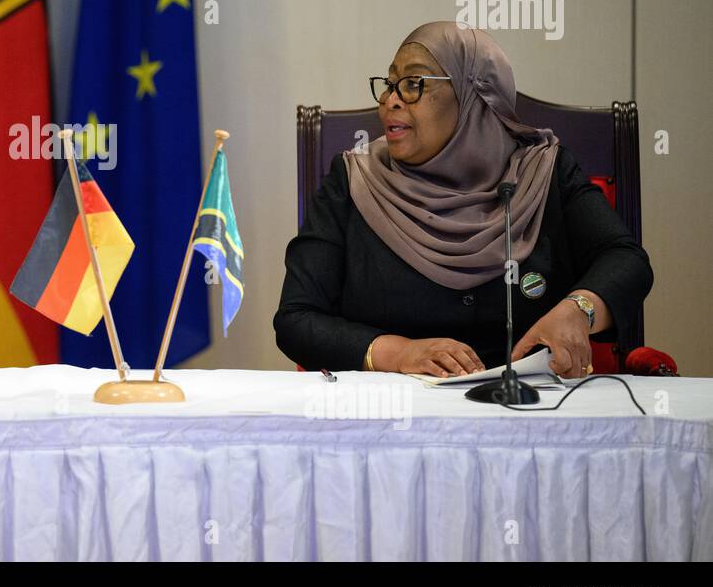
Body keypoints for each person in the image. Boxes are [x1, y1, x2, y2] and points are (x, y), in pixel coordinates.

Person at [274, 22, 653, 378]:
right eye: (390, 84)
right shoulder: (354, 180)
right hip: (394, 414)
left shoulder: (543, 172)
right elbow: (296, 318)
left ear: (477, 96)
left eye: (413, 84)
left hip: (530, 408)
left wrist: (579, 309)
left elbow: (625, 260)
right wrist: (400, 353)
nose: (390, 100)